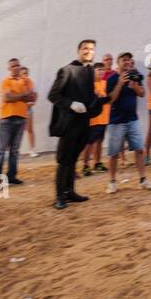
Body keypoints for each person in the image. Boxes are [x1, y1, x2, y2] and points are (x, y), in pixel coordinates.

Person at [47, 40, 100, 209]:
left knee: (73, 159)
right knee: (64, 160)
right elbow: (53, 95)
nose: (88, 51)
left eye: (91, 49)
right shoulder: (66, 70)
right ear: (78, 50)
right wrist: (71, 104)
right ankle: (59, 196)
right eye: (85, 48)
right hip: (69, 123)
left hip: (83, 123)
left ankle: (70, 191)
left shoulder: (90, 70)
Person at [103, 52, 151, 194]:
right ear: (118, 62)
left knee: (139, 150)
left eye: (129, 60)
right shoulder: (112, 79)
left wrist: (135, 87)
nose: (127, 62)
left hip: (133, 119)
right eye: (124, 60)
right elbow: (110, 100)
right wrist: (120, 83)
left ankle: (143, 180)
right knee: (114, 153)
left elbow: (142, 94)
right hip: (116, 121)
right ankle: (112, 182)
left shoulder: (135, 75)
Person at [0, 57, 34, 188]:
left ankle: (11, 176)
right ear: (9, 68)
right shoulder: (5, 81)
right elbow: (6, 98)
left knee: (15, 150)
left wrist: (16, 96)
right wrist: (23, 96)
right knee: (1, 150)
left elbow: (32, 97)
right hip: (7, 118)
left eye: (18, 65)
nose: (16, 67)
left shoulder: (27, 81)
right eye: (13, 66)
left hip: (21, 117)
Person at [82, 54, 114, 175]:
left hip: (104, 118)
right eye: (98, 70)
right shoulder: (89, 85)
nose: (101, 72)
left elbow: (109, 96)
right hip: (94, 119)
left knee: (99, 142)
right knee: (89, 143)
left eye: (102, 70)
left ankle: (97, 163)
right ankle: (85, 165)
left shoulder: (105, 83)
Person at [18, 66, 39, 158]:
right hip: (18, 109)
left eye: (26, 73)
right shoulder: (17, 83)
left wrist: (33, 102)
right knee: (16, 131)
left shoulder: (30, 82)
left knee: (30, 129)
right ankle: (12, 151)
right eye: (23, 73)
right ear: (19, 74)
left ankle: (32, 150)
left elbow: (35, 94)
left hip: (28, 109)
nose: (24, 75)